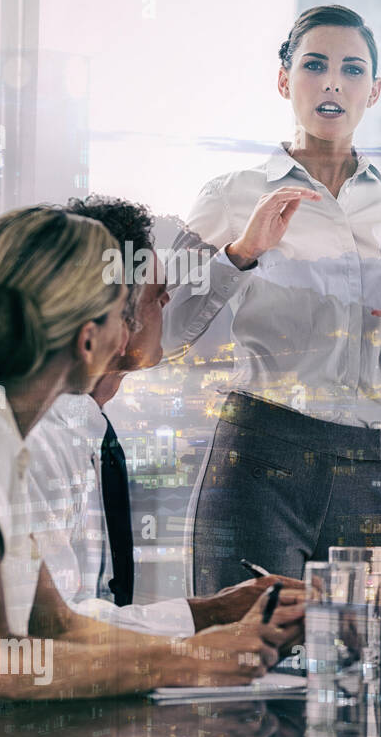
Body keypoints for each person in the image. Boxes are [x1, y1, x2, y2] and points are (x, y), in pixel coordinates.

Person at [163, 5, 381, 613]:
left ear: (373, 91)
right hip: (260, 459)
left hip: (372, 469)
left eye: (352, 70)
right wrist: (241, 253)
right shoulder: (230, 194)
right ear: (283, 80)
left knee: (371, 676)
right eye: (314, 65)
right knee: (248, 671)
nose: (331, 82)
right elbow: (163, 332)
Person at [0, 206, 286, 705]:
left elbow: (57, 624)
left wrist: (219, 632)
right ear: (90, 340)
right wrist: (187, 660)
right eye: (120, 313)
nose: (129, 330)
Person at [27, 195, 304, 637]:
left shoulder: (80, 431)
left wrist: (215, 611)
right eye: (158, 297)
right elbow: (53, 634)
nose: (168, 302)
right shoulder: (39, 447)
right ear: (113, 319)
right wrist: (209, 622)